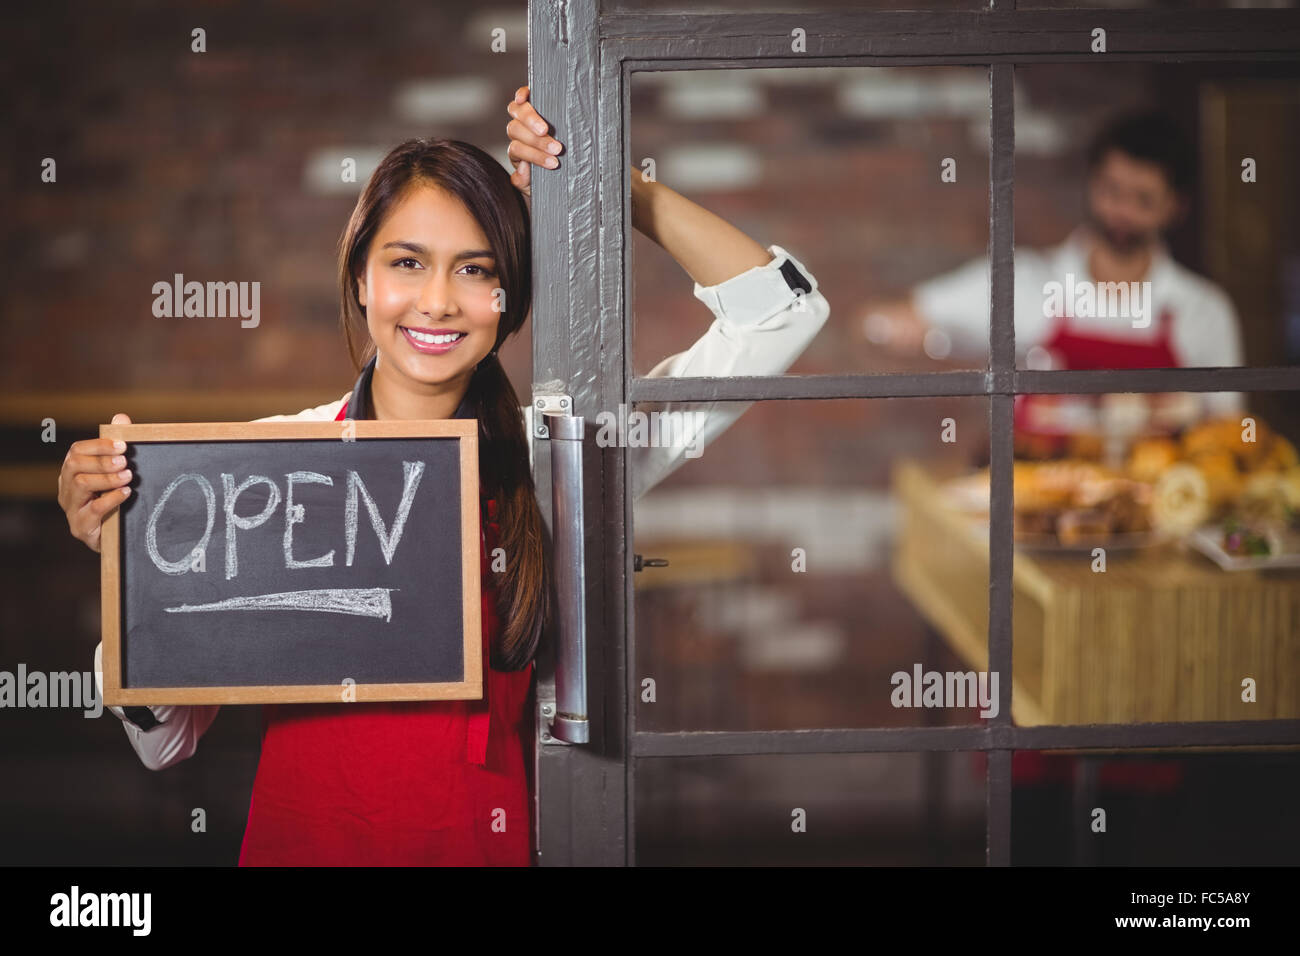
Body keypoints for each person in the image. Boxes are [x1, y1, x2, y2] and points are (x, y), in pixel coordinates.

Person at [57, 86, 831, 865]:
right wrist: (134, 567)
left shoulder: (559, 462)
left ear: (509, 300)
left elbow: (779, 316)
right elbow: (165, 742)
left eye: (474, 270)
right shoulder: (270, 463)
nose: (436, 302)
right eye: (406, 263)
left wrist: (613, 185)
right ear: (361, 279)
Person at [863, 108, 1247, 457]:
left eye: (1143, 200)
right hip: (1034, 510)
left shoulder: (1203, 311)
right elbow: (890, 318)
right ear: (1092, 183)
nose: (1122, 212)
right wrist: (899, 329)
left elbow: (1228, 432)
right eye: (1111, 192)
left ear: (1175, 207)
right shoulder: (1028, 283)